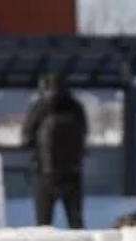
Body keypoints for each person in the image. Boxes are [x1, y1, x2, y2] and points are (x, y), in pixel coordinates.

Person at [20, 73, 88, 229]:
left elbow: (26, 138)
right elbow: (84, 133)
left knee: (44, 224)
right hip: (73, 174)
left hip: (44, 174)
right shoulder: (76, 107)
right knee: (76, 223)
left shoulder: (40, 107)